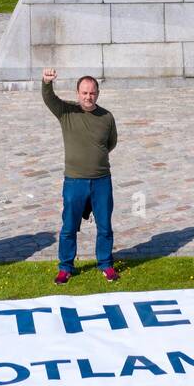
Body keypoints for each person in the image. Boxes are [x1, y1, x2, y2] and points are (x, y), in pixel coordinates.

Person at [42, 67, 119, 285]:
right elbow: (49, 99)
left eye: (92, 93)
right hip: (74, 181)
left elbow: (110, 143)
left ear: (98, 93)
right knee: (69, 227)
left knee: (104, 226)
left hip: (102, 180)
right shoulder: (67, 112)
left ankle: (105, 264)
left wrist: (95, 158)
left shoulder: (106, 117)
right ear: (78, 93)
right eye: (84, 93)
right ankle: (65, 267)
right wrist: (46, 82)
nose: (88, 96)